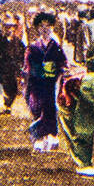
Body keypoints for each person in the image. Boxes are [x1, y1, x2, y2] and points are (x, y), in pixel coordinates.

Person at [24, 12, 68, 152]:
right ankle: (39, 138)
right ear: (37, 28)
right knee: (36, 107)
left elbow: (63, 63)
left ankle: (51, 136)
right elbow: (27, 66)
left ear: (52, 27)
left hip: (50, 82)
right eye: (42, 26)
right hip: (36, 82)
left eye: (48, 26)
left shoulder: (56, 46)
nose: (45, 29)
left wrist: (60, 70)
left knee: (49, 109)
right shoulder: (33, 47)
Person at [0, 18, 24, 111]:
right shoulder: (0, 42)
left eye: (11, 27)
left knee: (14, 89)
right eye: (7, 27)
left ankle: (8, 104)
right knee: (1, 86)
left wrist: (21, 65)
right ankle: (4, 103)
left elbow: (24, 54)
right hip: (2, 69)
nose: (9, 30)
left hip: (13, 69)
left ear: (14, 29)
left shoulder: (17, 42)